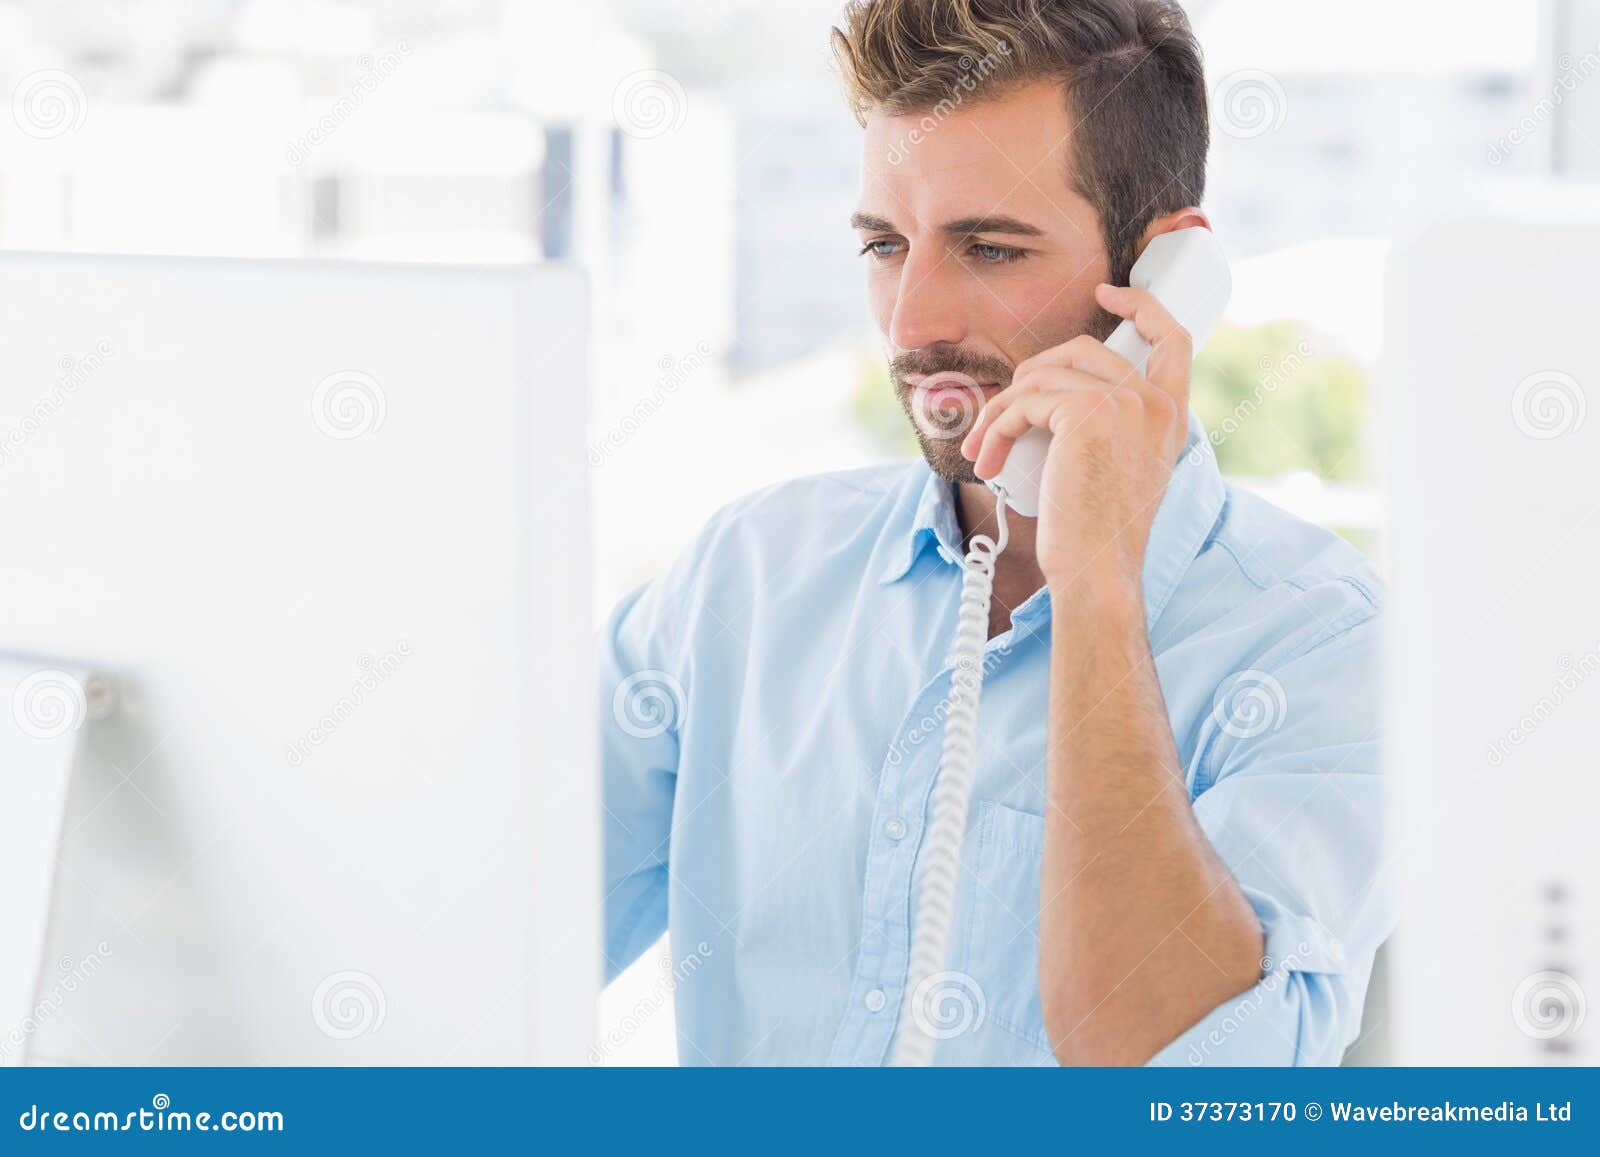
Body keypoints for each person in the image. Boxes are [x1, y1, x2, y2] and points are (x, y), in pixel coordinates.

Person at [600, 0, 1391, 1066]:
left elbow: (1169, 1085)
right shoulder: (746, 577)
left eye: (990, 246)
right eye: (885, 244)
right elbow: (478, 921)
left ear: (1161, 281)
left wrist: (1097, 583)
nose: (913, 319)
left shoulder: (1320, 642)